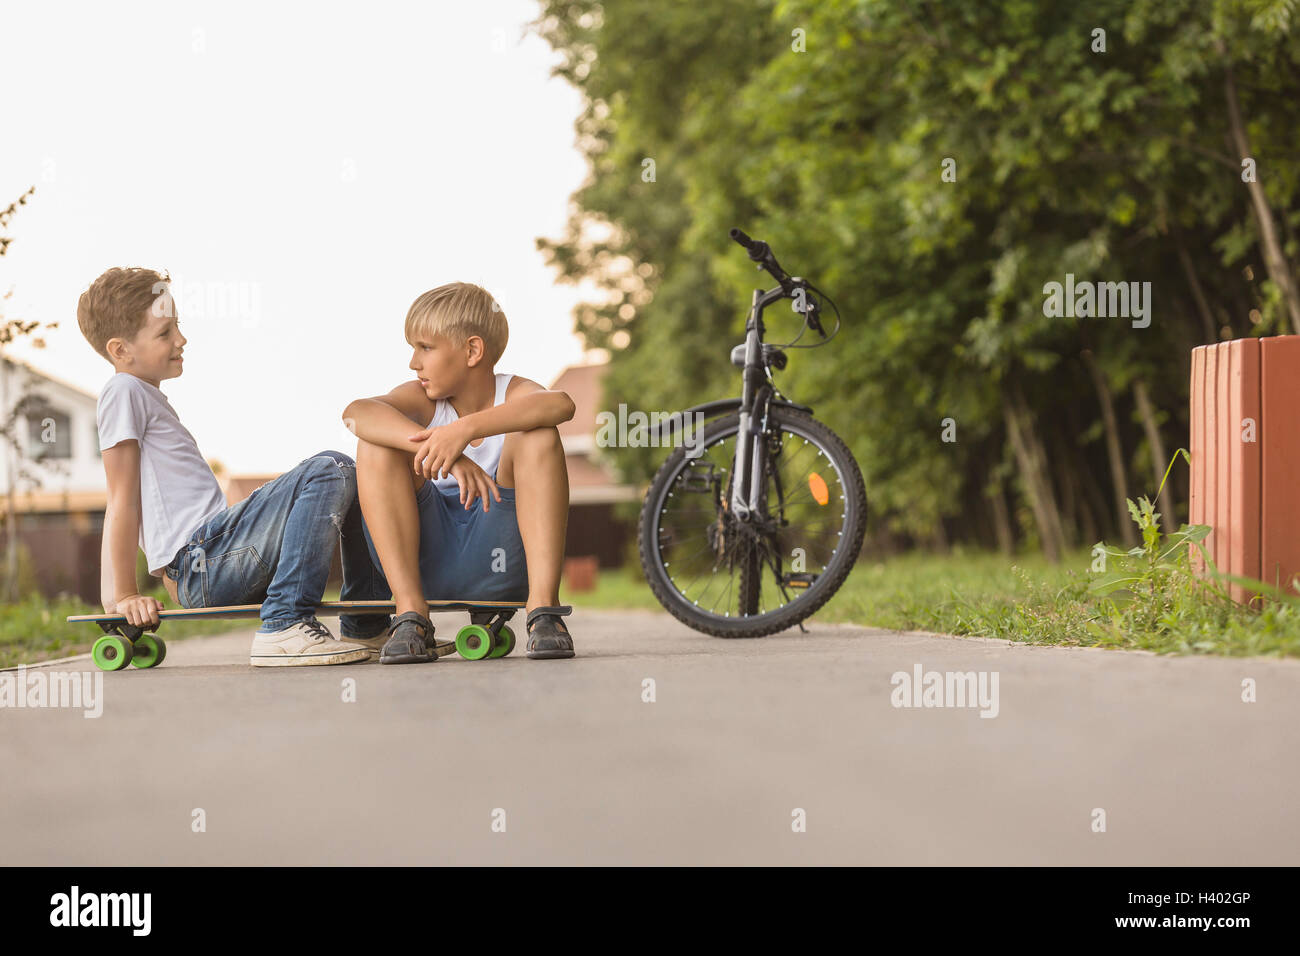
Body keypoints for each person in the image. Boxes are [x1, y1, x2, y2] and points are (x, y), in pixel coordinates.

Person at [78, 266, 375, 666]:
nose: (180, 339)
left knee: (351, 477)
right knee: (331, 469)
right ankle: (284, 624)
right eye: (165, 333)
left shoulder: (144, 396)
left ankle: (368, 626)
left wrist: (114, 598)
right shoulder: (123, 391)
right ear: (120, 350)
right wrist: (123, 594)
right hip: (202, 565)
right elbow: (120, 500)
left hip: (220, 556)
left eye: (177, 327)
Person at [342, 281, 578, 663]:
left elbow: (560, 404)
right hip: (427, 563)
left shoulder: (512, 392)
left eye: (426, 348)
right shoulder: (423, 400)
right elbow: (356, 413)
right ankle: (411, 616)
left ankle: (544, 611)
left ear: (472, 350)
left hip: (503, 562)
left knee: (537, 435)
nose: (413, 362)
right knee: (375, 444)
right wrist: (446, 451)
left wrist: (464, 430)